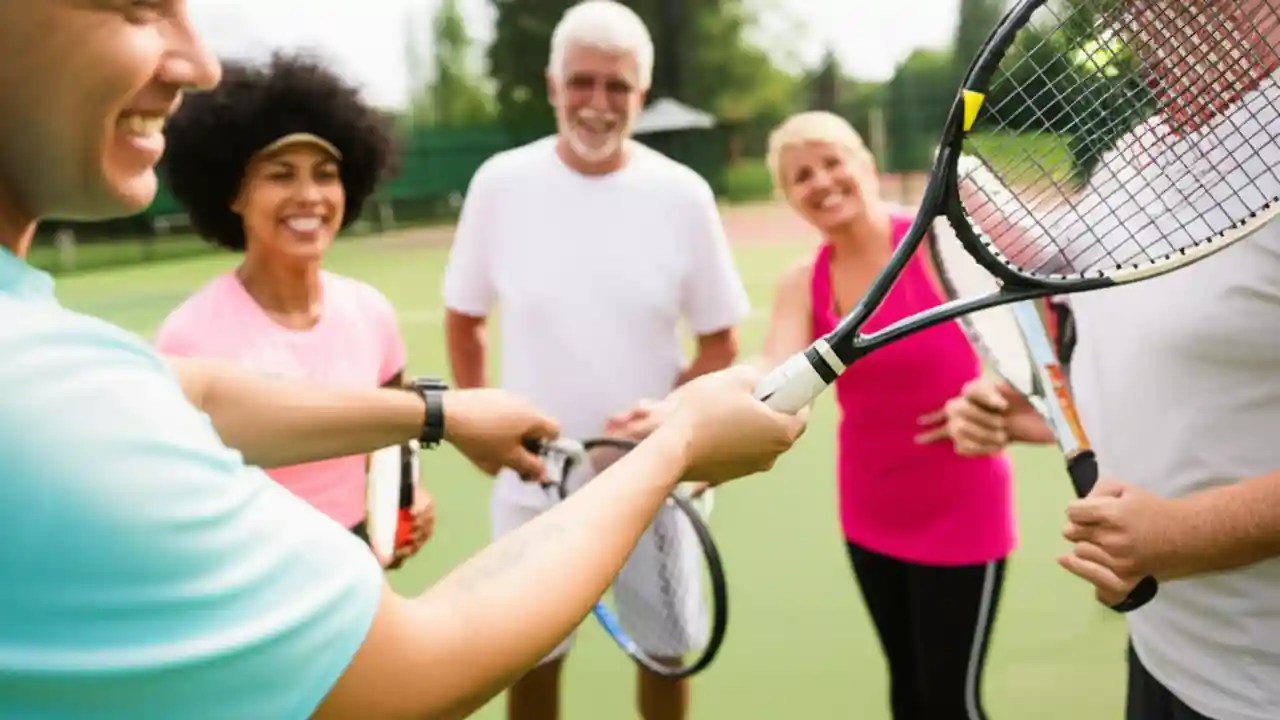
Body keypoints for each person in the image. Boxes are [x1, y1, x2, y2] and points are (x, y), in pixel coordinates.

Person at [0, 2, 807, 718]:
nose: (199, 62)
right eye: (133, 5)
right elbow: (417, 668)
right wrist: (676, 447)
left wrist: (441, 413)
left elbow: (194, 394)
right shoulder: (46, 405)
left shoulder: (65, 363)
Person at [935, 7, 1280, 718]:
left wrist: (1181, 535)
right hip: (1166, 653)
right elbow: (1130, 336)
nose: (1130, 14)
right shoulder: (1139, 151)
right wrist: (1037, 414)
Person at [618, 110, 1017, 720]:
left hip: (962, 504)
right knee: (907, 692)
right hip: (870, 510)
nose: (823, 181)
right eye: (801, 175)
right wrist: (687, 414)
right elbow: (772, 370)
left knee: (950, 702)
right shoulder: (803, 281)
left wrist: (994, 391)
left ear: (867, 164)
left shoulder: (941, 240)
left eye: (834, 162)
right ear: (790, 199)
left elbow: (1019, 336)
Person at [440, 2, 751, 718]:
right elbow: (463, 319)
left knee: (665, 660)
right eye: (582, 82)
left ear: (641, 94)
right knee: (528, 663)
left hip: (654, 484)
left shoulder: (683, 194)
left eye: (618, 87)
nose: (598, 103)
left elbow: (719, 342)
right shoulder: (500, 183)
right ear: (552, 85)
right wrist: (481, 424)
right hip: (533, 485)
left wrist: (667, 421)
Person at [152, 51, 432, 569]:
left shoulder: (372, 312)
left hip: (359, 579)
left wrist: (406, 496)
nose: (309, 196)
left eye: (325, 174)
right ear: (233, 195)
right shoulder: (187, 338)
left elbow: (392, 435)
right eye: (281, 175)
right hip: (250, 584)